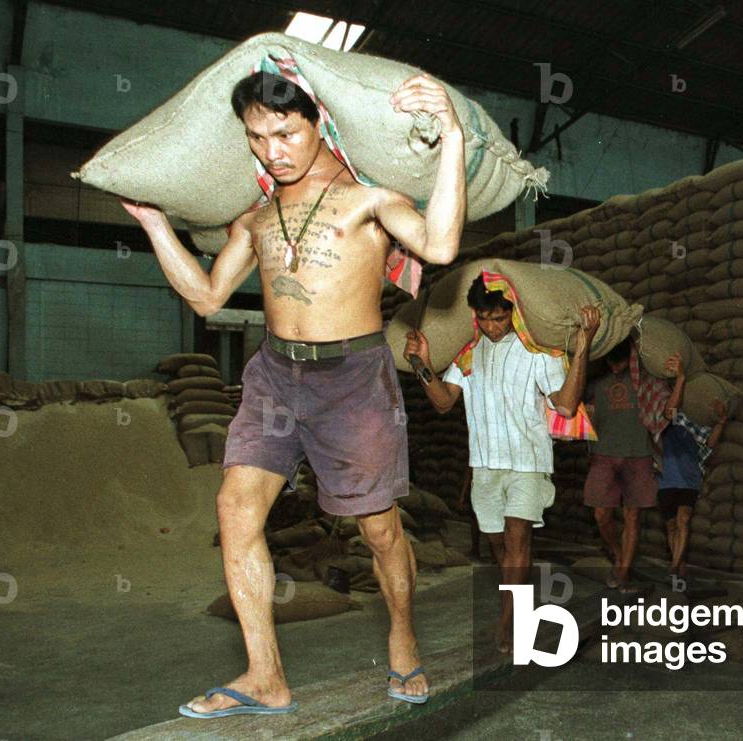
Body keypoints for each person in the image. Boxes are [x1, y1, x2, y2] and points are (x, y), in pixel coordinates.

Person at [122, 69, 466, 715]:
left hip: (354, 379)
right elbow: (207, 296)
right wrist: (153, 224)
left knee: (379, 530)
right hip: (275, 375)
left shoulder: (369, 201)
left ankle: (402, 637)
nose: (272, 150)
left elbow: (441, 243)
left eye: (286, 132)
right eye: (257, 137)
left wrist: (449, 133)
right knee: (235, 511)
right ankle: (264, 675)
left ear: (318, 124)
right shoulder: (254, 219)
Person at [403, 275, 599, 653]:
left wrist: (583, 347)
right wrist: (421, 364)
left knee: (517, 538)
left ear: (513, 311)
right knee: (501, 550)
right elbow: (443, 401)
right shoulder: (469, 355)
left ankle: (509, 622)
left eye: (499, 318)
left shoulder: (540, 353)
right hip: (485, 466)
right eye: (485, 319)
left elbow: (565, 404)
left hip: (528, 462)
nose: (493, 327)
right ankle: (519, 603)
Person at [582, 339, 667, 593]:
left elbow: (665, 406)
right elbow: (589, 421)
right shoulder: (598, 386)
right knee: (601, 514)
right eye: (612, 360)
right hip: (604, 457)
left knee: (633, 515)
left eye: (620, 359)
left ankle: (624, 572)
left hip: (637, 456)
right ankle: (619, 556)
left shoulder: (647, 384)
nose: (616, 365)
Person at [657, 355, 728, 580]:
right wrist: (680, 377)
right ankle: (679, 562)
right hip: (666, 478)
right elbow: (671, 413)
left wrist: (721, 422)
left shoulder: (696, 422)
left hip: (689, 479)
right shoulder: (666, 414)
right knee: (670, 526)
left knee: (683, 519)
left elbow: (710, 443)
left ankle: (675, 567)